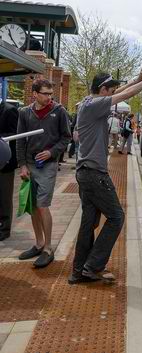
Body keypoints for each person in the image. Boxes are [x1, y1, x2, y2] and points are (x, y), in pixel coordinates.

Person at [69, 65, 142, 284]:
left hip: (85, 173)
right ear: (102, 89)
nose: (112, 94)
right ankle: (92, 267)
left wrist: (137, 78)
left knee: (88, 223)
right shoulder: (95, 105)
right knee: (117, 217)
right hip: (95, 174)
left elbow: (120, 93)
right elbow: (126, 94)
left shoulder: (88, 103)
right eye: (110, 89)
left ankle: (78, 271)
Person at [16, 79, 72, 267]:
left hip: (47, 166)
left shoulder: (59, 111)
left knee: (42, 205)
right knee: (32, 206)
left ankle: (48, 248)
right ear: (35, 94)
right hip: (30, 165)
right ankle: (39, 243)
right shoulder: (24, 113)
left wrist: (52, 152)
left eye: (50, 93)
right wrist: (22, 165)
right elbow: (20, 141)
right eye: (45, 93)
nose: (49, 97)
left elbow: (66, 137)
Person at [0, 99, 19, 241]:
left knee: (4, 196)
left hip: (5, 161)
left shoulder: (10, 110)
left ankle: (4, 229)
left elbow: (14, 134)